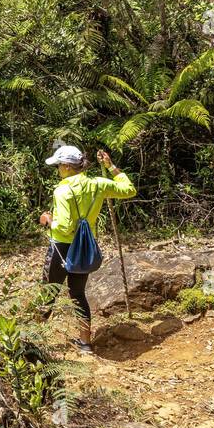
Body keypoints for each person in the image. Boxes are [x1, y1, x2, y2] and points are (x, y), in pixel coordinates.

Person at [39, 144, 135, 353]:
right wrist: (111, 167)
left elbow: (64, 226)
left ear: (66, 166)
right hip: (83, 247)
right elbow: (129, 190)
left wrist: (47, 220)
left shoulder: (63, 190)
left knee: (48, 292)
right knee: (78, 293)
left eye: (58, 166)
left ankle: (35, 337)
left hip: (61, 247)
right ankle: (85, 343)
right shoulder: (98, 184)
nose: (57, 170)